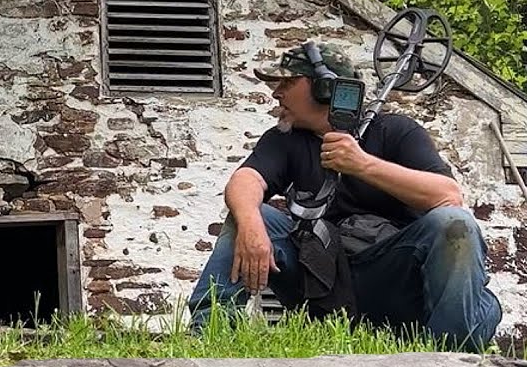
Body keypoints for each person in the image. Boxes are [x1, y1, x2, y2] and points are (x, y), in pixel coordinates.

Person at [188, 42, 502, 351]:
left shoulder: (396, 131)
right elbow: (246, 179)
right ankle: (206, 335)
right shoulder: (284, 140)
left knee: (454, 224)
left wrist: (363, 165)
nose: (276, 92)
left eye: (287, 81)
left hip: (395, 278)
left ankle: (452, 353)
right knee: (253, 216)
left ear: (324, 88)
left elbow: (448, 197)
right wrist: (250, 224)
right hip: (322, 277)